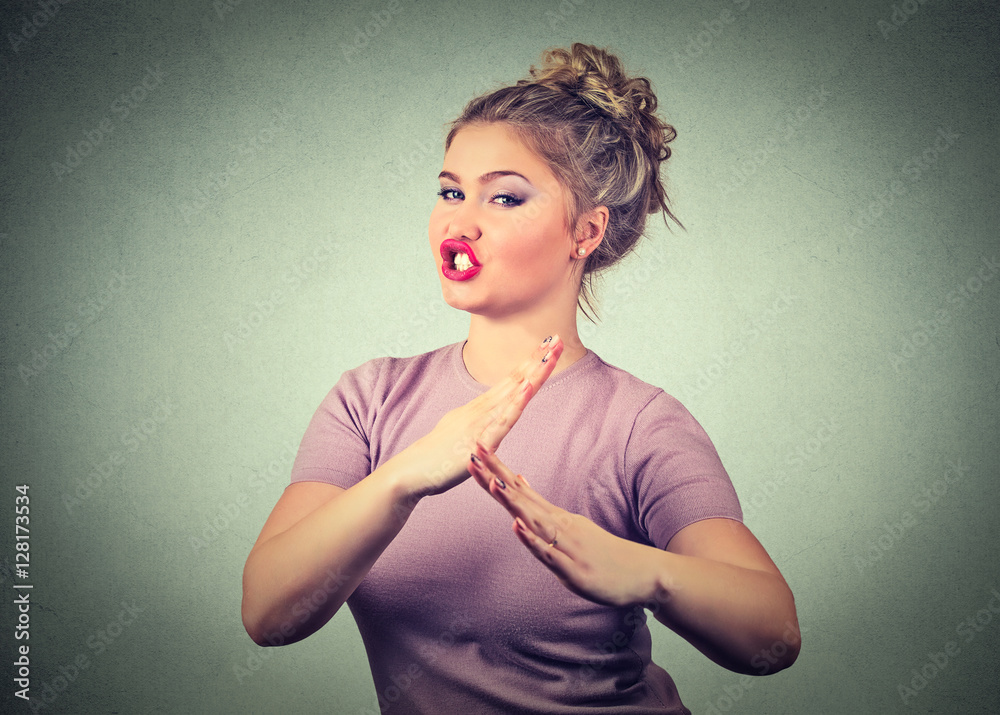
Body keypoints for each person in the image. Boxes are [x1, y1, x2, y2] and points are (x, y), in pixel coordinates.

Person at [242, 43, 800, 714]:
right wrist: (406, 474)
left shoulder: (639, 423)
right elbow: (268, 614)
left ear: (585, 232)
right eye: (450, 191)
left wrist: (650, 574)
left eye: (505, 196)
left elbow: (774, 634)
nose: (460, 220)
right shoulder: (369, 401)